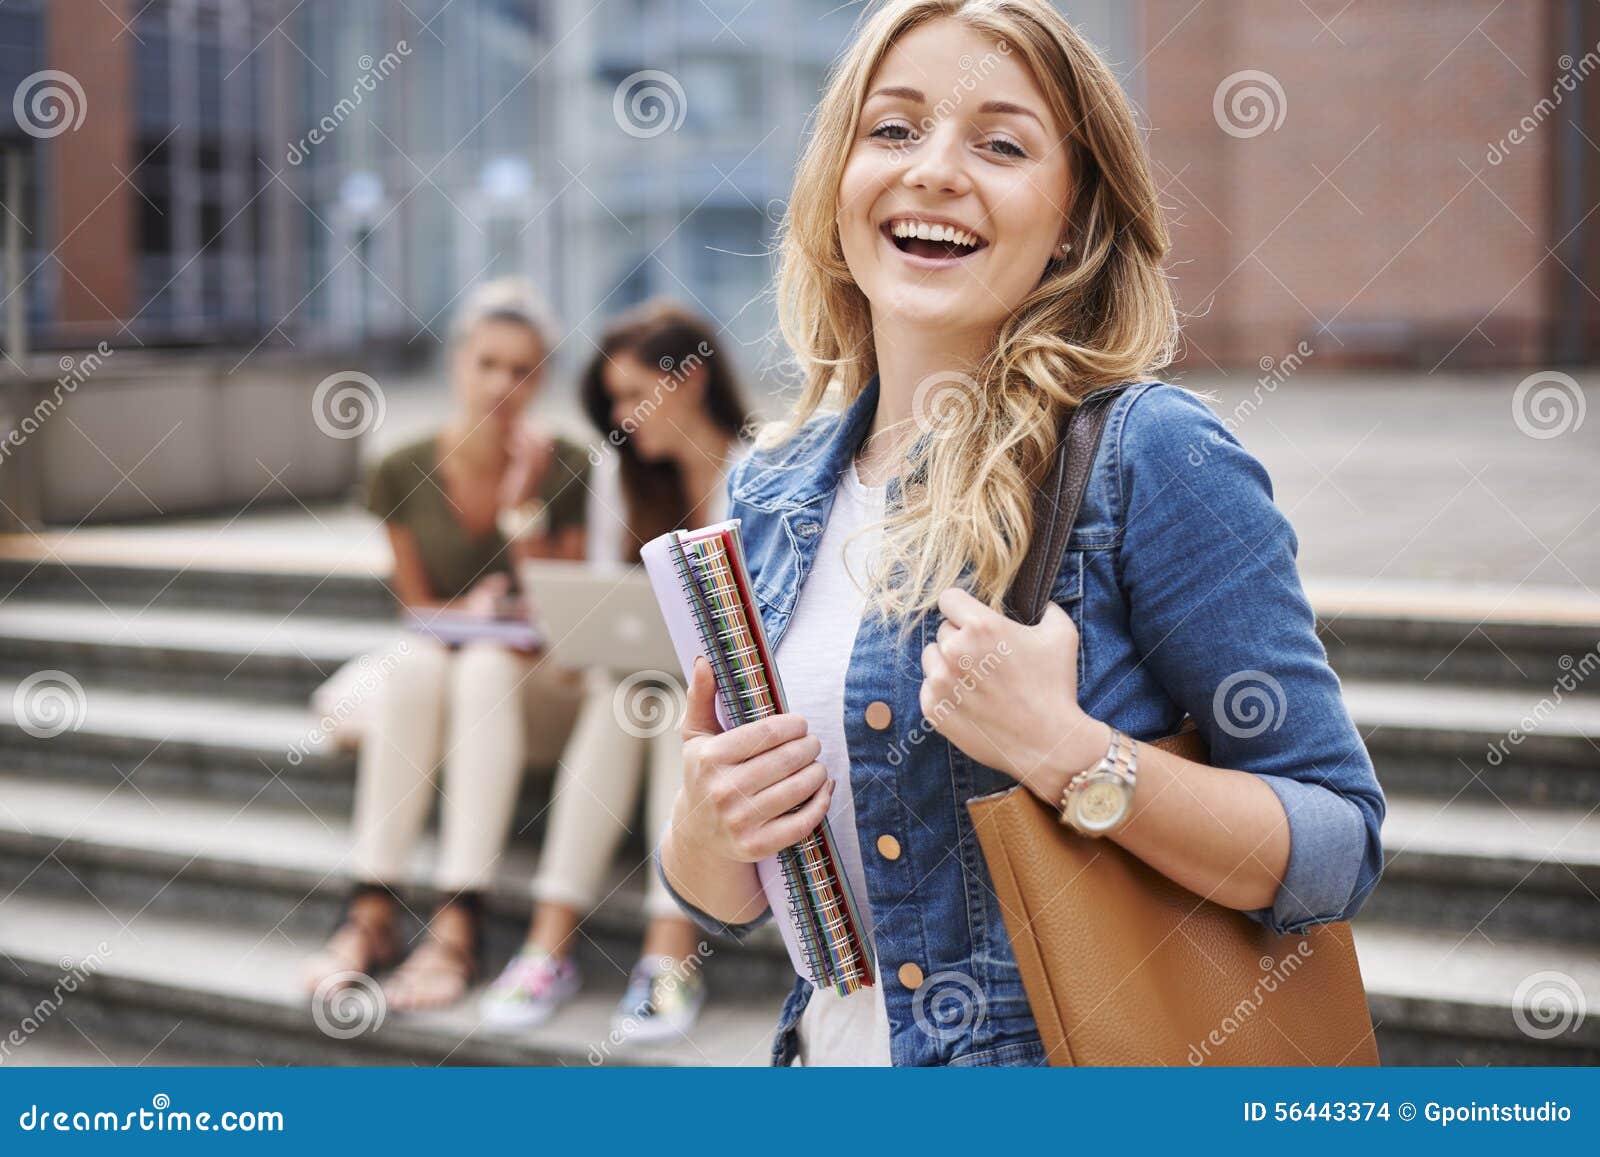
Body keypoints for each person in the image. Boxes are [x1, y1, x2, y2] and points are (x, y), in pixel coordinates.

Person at [656, 0, 1386, 1066]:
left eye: (999, 144)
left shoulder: (1150, 456)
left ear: (1075, 220)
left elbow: (1336, 842)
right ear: (837, 180)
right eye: (893, 129)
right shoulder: (767, 490)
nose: (934, 170)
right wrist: (704, 827)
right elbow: (727, 899)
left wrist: (1071, 753)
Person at [302, 276, 593, 1012]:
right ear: (459, 361)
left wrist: (524, 502)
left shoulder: (564, 464)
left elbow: (567, 616)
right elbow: (416, 608)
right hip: (445, 673)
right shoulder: (401, 467)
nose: (502, 382)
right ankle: (372, 908)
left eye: (522, 368)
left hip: (535, 683)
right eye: (488, 361)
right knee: (421, 657)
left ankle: (461, 920)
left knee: (488, 661)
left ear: (542, 378)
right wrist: (473, 607)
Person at [478, 299, 754, 1043]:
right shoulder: (621, 474)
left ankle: (668, 955)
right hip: (645, 688)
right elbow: (607, 601)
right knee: (638, 688)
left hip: (747, 696)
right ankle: (548, 945)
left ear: (690, 381)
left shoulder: (766, 467)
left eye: (636, 394)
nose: (624, 417)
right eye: (613, 400)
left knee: (669, 694)